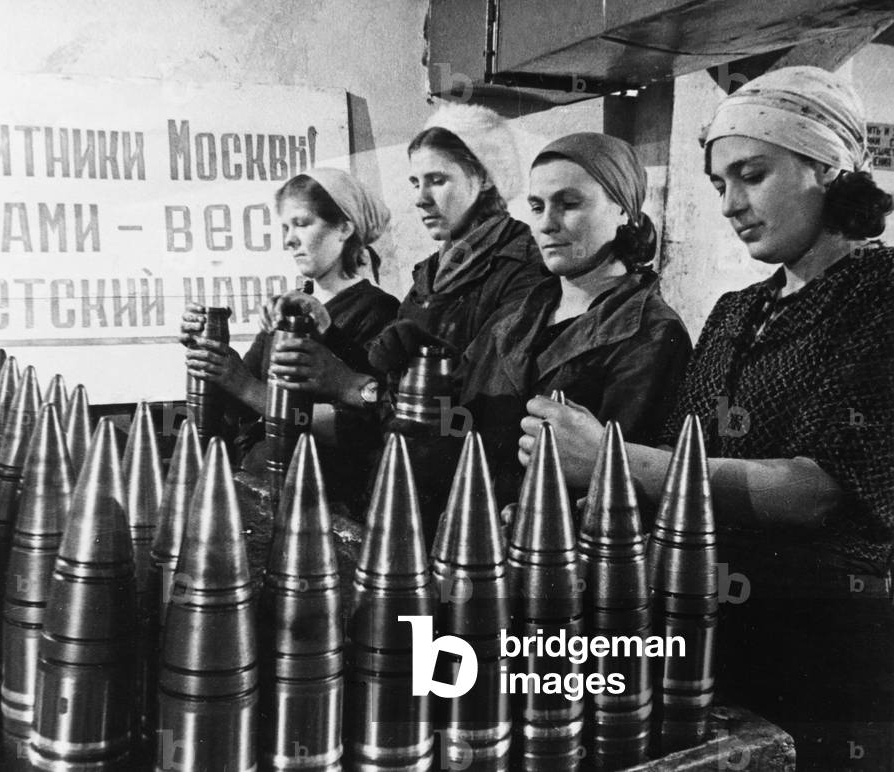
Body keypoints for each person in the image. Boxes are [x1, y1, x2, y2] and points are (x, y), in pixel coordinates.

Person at [519, 67, 894, 769]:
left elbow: (818, 492)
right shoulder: (735, 313)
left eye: (750, 175)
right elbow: (674, 470)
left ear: (827, 168)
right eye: (719, 183)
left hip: (829, 651)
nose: (729, 203)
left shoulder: (880, 299)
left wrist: (607, 458)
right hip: (714, 632)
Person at [267, 104, 548, 530]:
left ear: (486, 177)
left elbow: (474, 413)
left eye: (438, 180)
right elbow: (389, 374)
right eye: (416, 182)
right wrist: (333, 334)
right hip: (404, 488)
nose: (420, 198)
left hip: (462, 507)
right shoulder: (431, 274)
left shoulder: (522, 274)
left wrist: (347, 385)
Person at [458, 133, 691, 507]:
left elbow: (624, 479)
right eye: (536, 207)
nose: (547, 224)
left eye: (568, 204)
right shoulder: (511, 319)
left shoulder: (652, 333)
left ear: (623, 211)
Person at [181, 167, 398, 510]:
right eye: (285, 227)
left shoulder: (379, 311)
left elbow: (358, 426)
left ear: (344, 228)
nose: (289, 240)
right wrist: (209, 355)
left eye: (301, 223)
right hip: (260, 485)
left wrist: (247, 389)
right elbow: (238, 403)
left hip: (319, 502)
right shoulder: (289, 309)